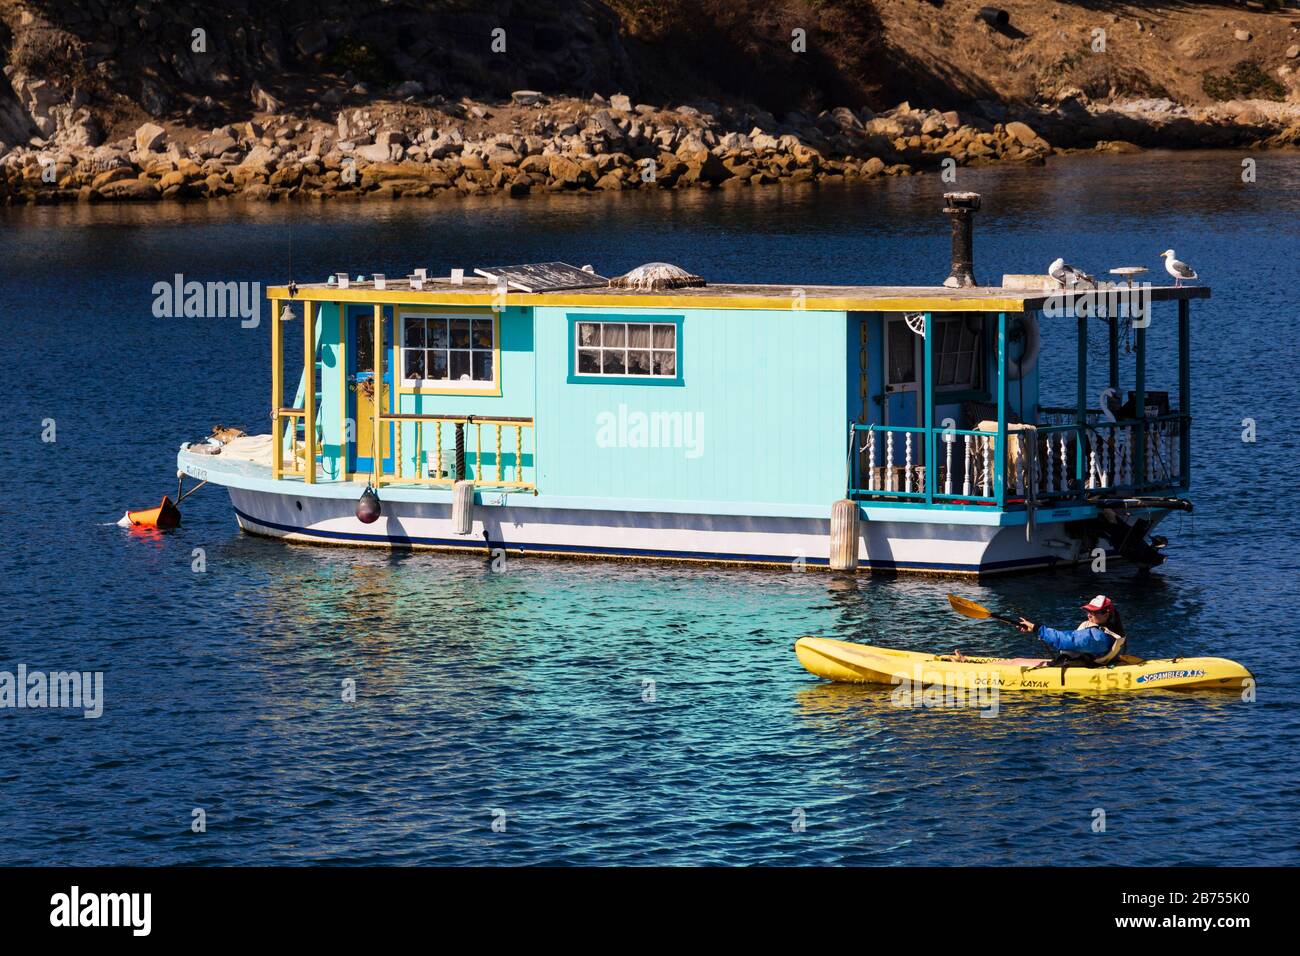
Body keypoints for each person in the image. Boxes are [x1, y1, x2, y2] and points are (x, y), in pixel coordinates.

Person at [1017, 595, 1127, 665]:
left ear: (1106, 614)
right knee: (1018, 661)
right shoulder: (1112, 629)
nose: (1089, 615)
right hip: (1089, 662)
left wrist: (1037, 628)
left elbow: (1064, 640)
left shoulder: (1096, 637)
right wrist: (1033, 630)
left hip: (1081, 665)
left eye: (1094, 612)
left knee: (1015, 662)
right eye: (1088, 611)